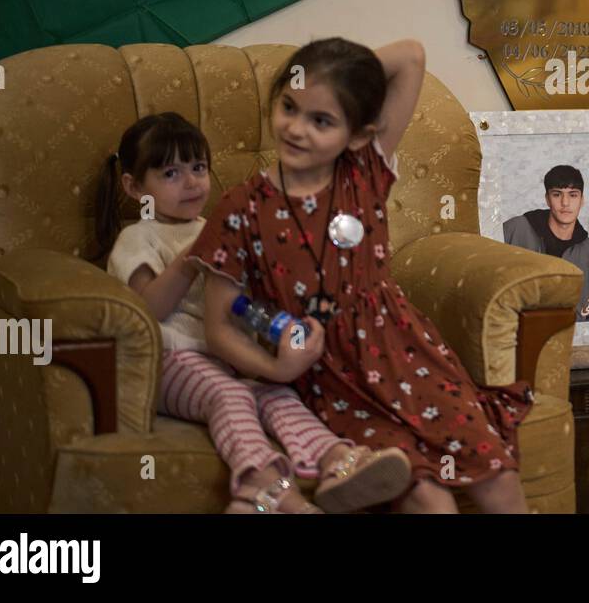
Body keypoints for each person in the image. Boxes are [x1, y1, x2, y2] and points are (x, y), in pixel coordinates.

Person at [191, 37, 534, 513]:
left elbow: (412, 54)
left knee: (496, 476)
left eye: (321, 120)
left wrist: (342, 77)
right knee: (427, 498)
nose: (295, 129)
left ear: (355, 134)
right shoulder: (238, 210)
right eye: (289, 107)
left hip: (409, 357)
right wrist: (277, 369)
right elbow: (217, 325)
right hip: (327, 377)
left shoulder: (365, 168)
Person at [96, 112, 410, 513]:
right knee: (228, 395)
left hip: (227, 357)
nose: (191, 182)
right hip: (169, 359)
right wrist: (193, 258)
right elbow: (147, 309)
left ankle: (336, 462)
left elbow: (240, 303)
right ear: (135, 186)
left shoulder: (216, 225)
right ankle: (261, 484)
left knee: (278, 395)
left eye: (198, 168)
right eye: (171, 174)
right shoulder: (137, 237)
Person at [502, 165, 589, 322]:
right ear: (547, 199)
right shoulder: (515, 230)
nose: (565, 203)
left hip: (568, 344)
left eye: (573, 195)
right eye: (557, 194)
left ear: (582, 200)